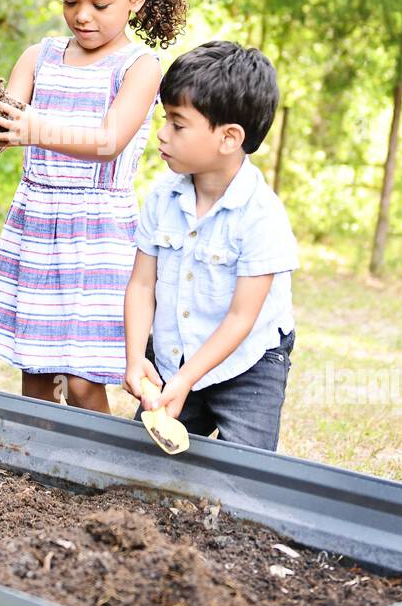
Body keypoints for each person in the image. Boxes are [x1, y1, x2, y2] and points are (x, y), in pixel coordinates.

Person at [0, 0, 187, 413]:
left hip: (99, 233)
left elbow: (108, 140)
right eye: (69, 1)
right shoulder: (38, 57)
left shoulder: (139, 67)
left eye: (99, 4)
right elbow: (7, 119)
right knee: (37, 370)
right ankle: (35, 478)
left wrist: (32, 129)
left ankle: (97, 477)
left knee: (85, 379)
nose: (82, 16)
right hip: (37, 224)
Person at [124, 41, 298, 450]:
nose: (162, 134)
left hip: (248, 363)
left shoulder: (261, 217)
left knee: (246, 475)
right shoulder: (163, 198)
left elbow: (241, 319)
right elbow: (141, 286)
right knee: (142, 463)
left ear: (228, 138)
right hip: (174, 352)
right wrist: (136, 359)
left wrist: (186, 380)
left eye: (178, 124)